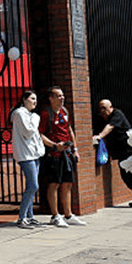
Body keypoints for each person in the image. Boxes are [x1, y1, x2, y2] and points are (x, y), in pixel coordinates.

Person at [41, 86, 85, 227]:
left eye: (62, 95)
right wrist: (54, 145)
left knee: (68, 183)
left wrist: (75, 149)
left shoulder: (64, 111)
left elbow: (69, 129)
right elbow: (40, 134)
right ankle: (55, 215)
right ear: (51, 98)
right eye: (59, 96)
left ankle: (68, 214)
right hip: (54, 154)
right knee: (54, 183)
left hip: (67, 153)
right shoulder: (46, 114)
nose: (62, 98)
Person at [11, 91, 47, 229]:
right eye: (32, 98)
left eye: (36, 99)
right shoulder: (20, 113)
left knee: (31, 187)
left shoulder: (30, 115)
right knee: (33, 185)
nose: (34, 101)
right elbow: (28, 131)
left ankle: (30, 216)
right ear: (24, 100)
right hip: (25, 155)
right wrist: (36, 118)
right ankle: (22, 218)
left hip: (34, 154)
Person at [93, 99, 132, 205]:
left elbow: (110, 127)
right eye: (100, 108)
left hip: (129, 151)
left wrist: (100, 136)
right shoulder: (102, 119)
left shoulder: (117, 114)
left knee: (130, 175)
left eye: (104, 108)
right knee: (127, 176)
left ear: (111, 107)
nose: (102, 111)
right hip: (121, 152)